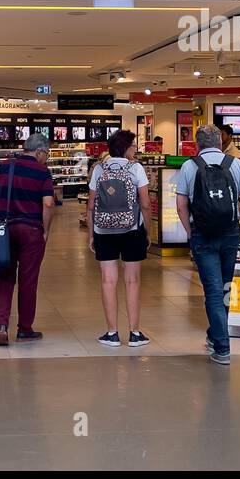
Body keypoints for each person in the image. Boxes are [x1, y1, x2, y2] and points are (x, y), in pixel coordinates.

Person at [174, 124, 240, 365]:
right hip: (231, 234)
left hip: (204, 236)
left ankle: (221, 346)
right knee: (225, 288)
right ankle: (216, 336)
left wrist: (191, 232)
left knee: (212, 290)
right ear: (220, 142)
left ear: (198, 145)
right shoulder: (235, 164)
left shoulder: (189, 166)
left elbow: (181, 206)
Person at [0, 133, 56, 346]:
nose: (46, 159)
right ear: (40, 151)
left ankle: (2, 327)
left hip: (5, 229)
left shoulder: (5, 166)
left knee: (5, 278)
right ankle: (25, 329)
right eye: (47, 154)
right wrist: (45, 229)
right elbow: (48, 204)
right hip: (31, 230)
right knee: (28, 281)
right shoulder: (42, 171)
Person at [86, 129, 152, 347]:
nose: (135, 149)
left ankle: (112, 333)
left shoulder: (98, 169)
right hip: (132, 229)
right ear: (126, 147)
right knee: (132, 281)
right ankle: (134, 333)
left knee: (108, 280)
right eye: (133, 146)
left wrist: (91, 234)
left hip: (104, 230)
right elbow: (144, 203)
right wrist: (147, 231)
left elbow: (91, 205)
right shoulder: (136, 169)